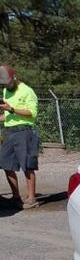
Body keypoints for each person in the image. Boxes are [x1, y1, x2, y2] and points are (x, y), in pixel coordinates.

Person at [0, 66, 40, 209]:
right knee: (5, 163)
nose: (5, 86)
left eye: (7, 83)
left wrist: (11, 109)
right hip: (10, 131)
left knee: (27, 165)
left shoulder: (27, 91)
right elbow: (9, 116)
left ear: (14, 78)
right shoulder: (6, 91)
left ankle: (32, 198)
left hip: (25, 132)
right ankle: (16, 196)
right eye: (3, 84)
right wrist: (5, 114)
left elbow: (32, 113)